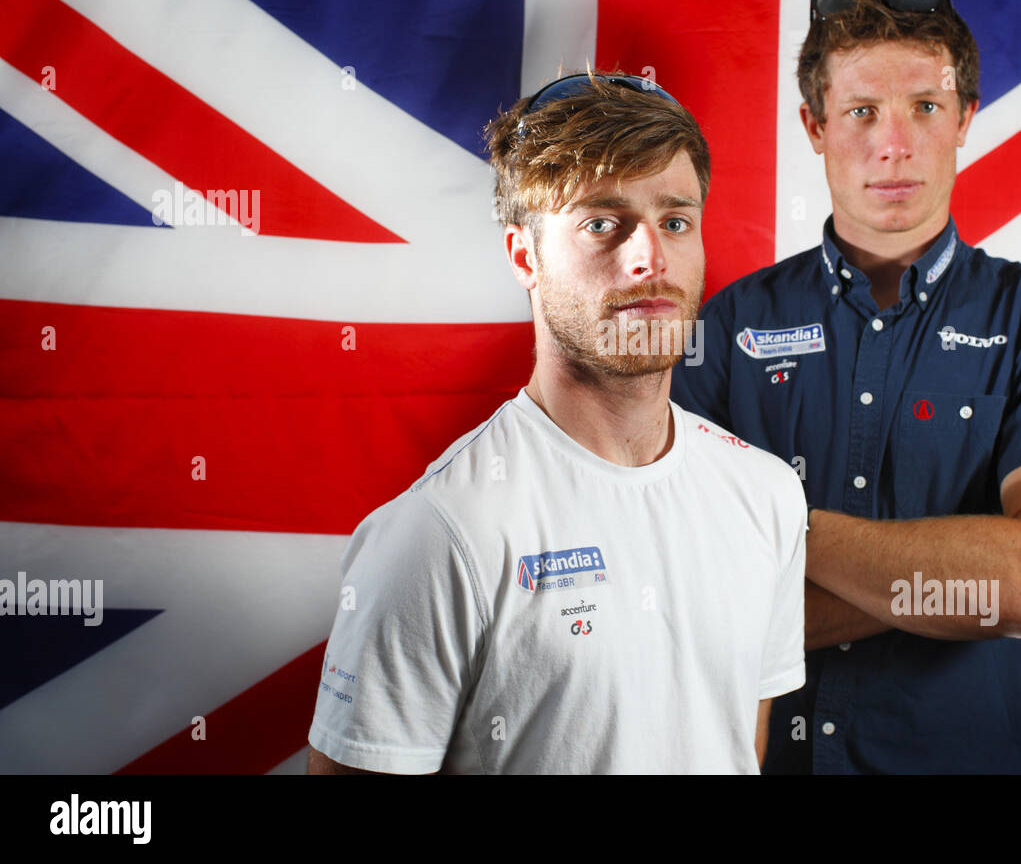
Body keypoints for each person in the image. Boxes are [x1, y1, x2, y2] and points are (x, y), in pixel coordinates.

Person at [671, 0, 1021, 773]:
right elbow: (683, 594)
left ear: (965, 119)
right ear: (814, 126)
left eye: (925, 106)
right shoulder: (727, 325)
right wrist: (940, 583)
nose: (894, 144)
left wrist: (778, 528)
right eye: (860, 112)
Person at [306, 73, 806, 774]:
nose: (649, 259)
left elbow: (734, 747)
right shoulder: (443, 530)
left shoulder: (767, 495)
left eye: (675, 221)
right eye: (603, 222)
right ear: (523, 255)